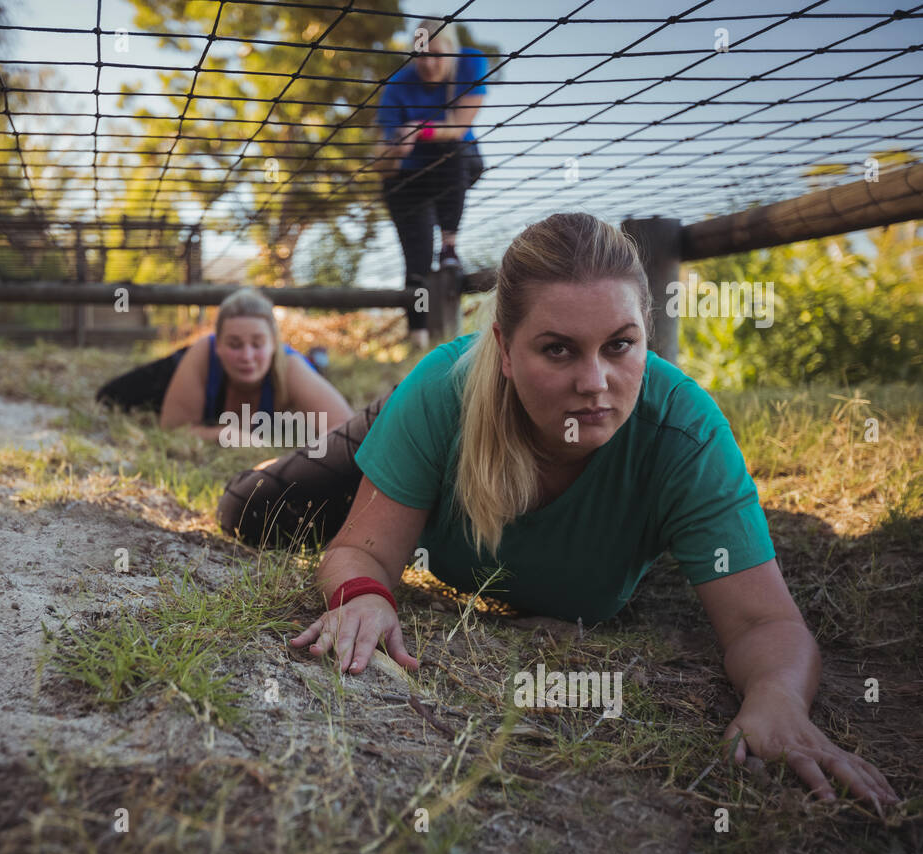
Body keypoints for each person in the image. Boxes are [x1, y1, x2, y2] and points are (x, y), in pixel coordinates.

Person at [218, 212, 898, 808]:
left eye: (619, 346)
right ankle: (385, 454)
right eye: (558, 349)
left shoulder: (687, 435)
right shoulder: (446, 391)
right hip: (422, 416)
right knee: (249, 510)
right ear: (506, 352)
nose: (595, 383)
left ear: (646, 339)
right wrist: (365, 595)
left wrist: (777, 701)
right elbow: (361, 554)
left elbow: (765, 621)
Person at [96, 288, 354, 444]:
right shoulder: (203, 354)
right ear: (217, 344)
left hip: (293, 377)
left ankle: (318, 360)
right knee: (111, 397)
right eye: (234, 344)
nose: (247, 356)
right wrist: (224, 435)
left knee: (313, 372)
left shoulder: (291, 368)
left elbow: (346, 431)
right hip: (184, 376)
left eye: (257, 343)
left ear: (274, 344)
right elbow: (173, 429)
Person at [376, 18, 489, 351]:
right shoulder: (397, 87)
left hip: (455, 165)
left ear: (452, 53)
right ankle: (419, 341)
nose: (427, 63)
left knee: (451, 151)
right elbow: (381, 162)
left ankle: (450, 244)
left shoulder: (470, 62)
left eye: (436, 54)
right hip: (407, 181)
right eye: (419, 54)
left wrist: (419, 130)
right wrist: (397, 148)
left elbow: (458, 126)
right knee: (417, 269)